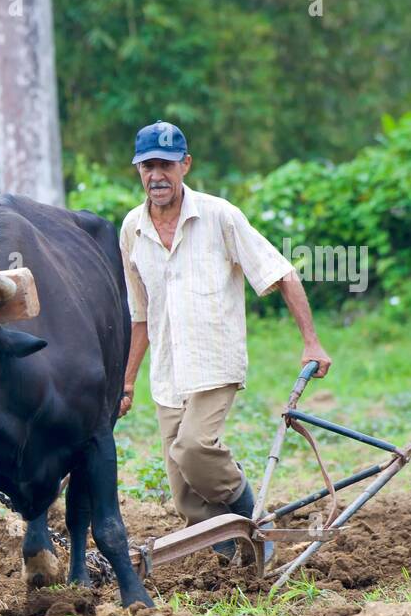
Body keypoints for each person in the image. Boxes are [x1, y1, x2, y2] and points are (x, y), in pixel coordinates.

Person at [117, 121, 332, 561]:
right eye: (148, 166)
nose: (157, 175)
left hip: (214, 361)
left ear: (186, 165)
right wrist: (126, 382)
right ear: (138, 170)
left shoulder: (219, 216)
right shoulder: (131, 230)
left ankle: (256, 518)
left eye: (166, 164)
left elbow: (282, 273)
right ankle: (241, 557)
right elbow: (140, 315)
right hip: (168, 370)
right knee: (184, 497)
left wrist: (311, 342)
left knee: (193, 449)